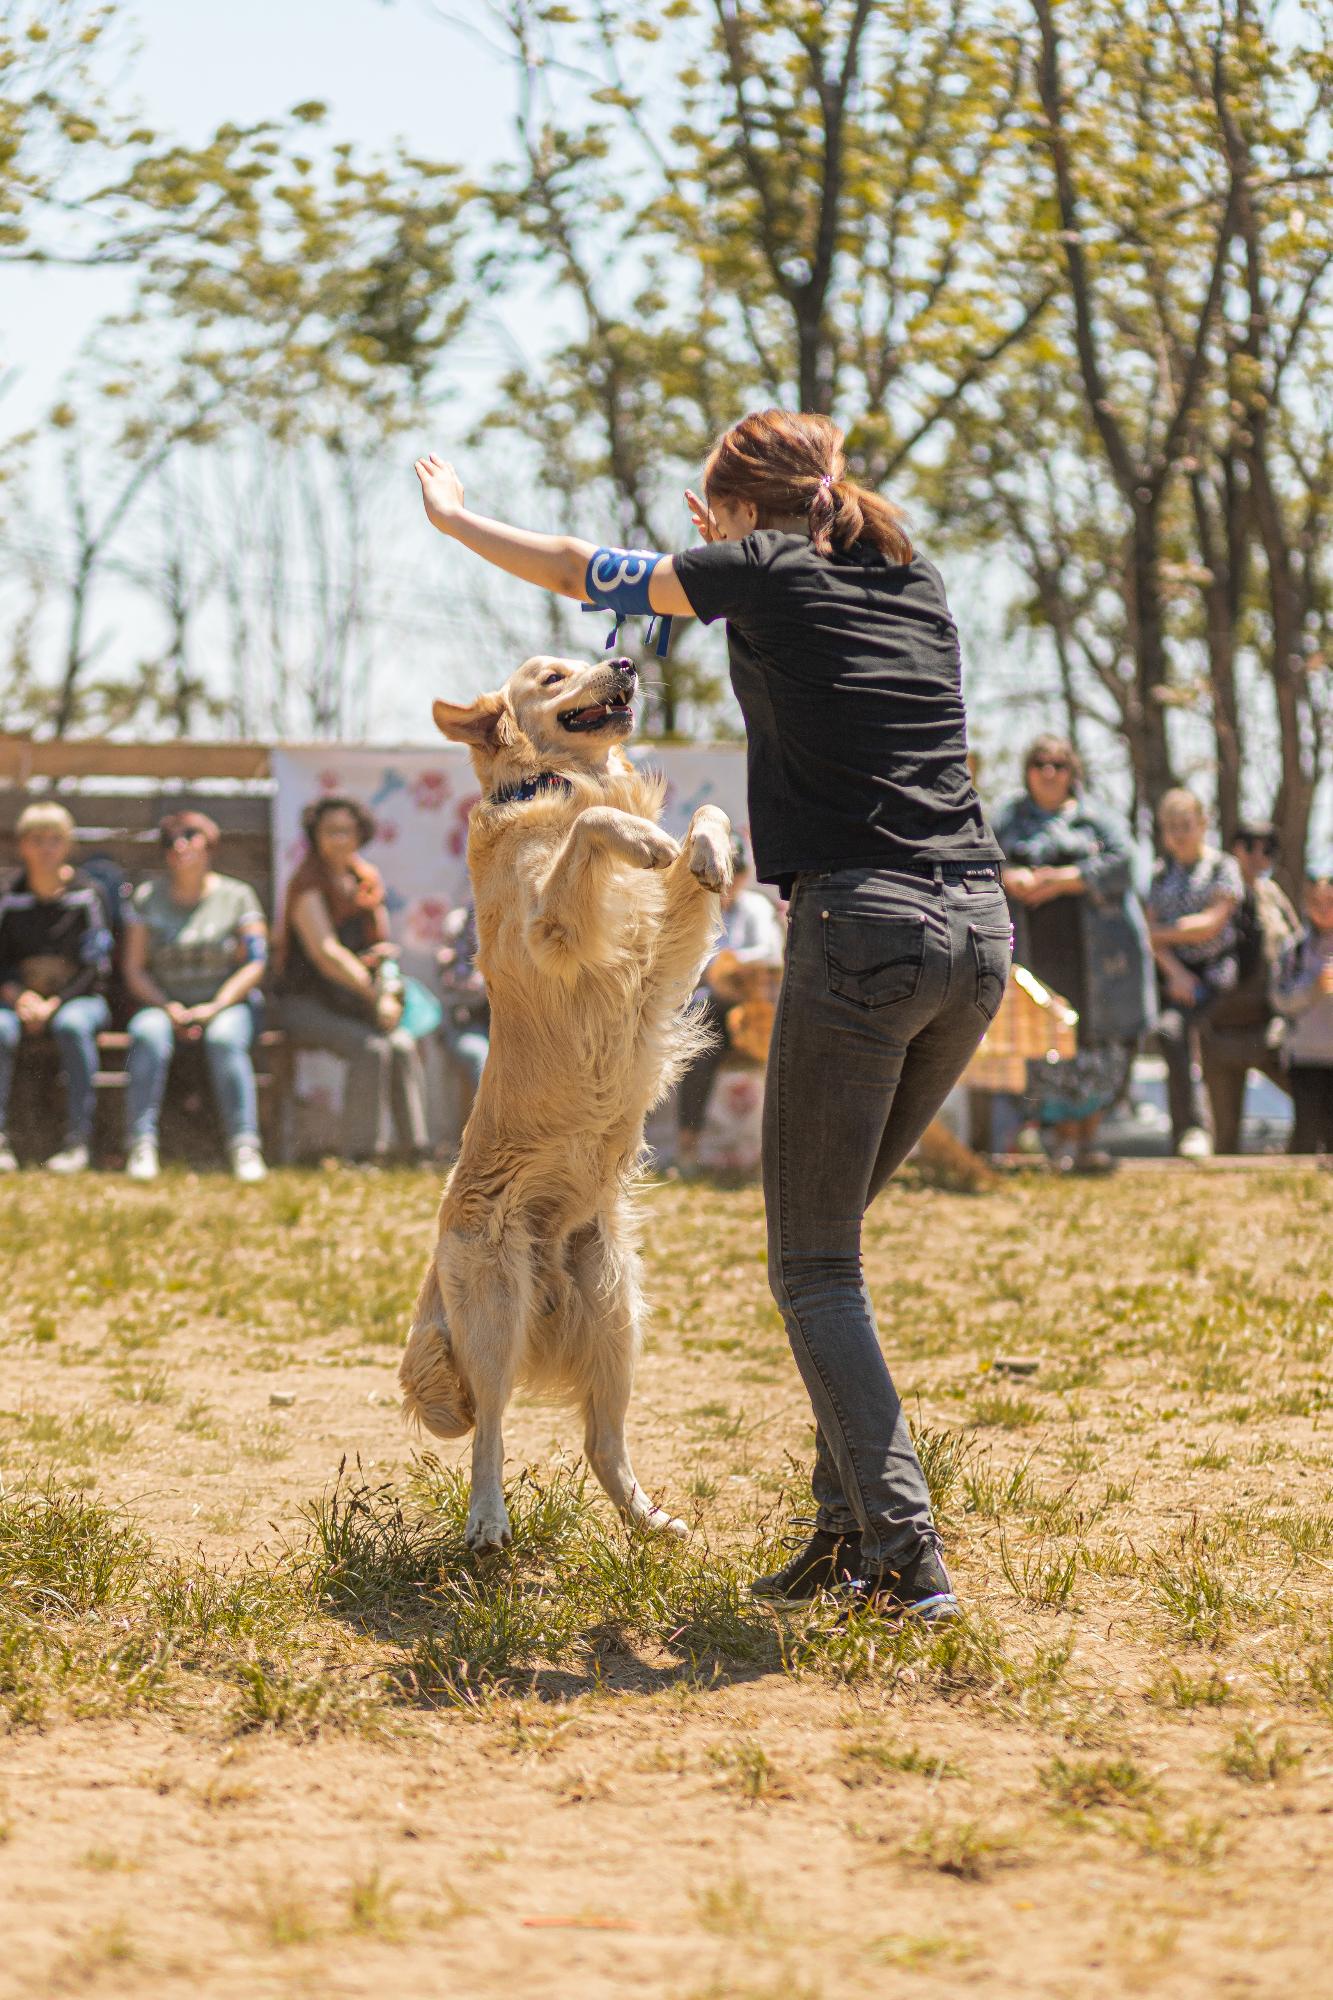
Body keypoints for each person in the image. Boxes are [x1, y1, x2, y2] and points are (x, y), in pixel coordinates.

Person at [413, 407, 1011, 1622]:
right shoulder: (908, 570)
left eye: (718, 514)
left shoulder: (764, 570)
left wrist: (455, 517)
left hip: (867, 935)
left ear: (732, 512)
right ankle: (842, 1531)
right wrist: (735, 534)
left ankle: (903, 1556)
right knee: (827, 1242)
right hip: (979, 938)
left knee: (812, 1266)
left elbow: (584, 570)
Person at [992, 735, 1155, 1171]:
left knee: (1097, 1046)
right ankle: (1057, 1142)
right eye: (1040, 763)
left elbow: (1124, 862)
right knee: (1043, 1045)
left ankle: (1088, 1141)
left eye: (1059, 764)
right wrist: (1014, 878)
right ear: (1027, 770)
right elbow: (980, 861)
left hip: (1100, 963)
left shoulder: (1097, 818)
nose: (1049, 772)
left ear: (1072, 772)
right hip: (1033, 955)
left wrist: (1066, 879)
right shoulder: (1008, 819)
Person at [273, 794, 429, 1164]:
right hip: (304, 1002)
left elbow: (383, 948)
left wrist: (389, 990)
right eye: (330, 831)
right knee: (370, 1048)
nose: (339, 839)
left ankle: (416, 1152)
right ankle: (362, 1156)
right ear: (315, 835)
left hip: (356, 999)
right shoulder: (306, 883)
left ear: (360, 835)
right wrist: (376, 996)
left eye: (346, 831)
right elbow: (327, 955)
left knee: (403, 1044)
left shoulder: (365, 878)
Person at [122, 811, 269, 1182]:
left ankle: (244, 1146)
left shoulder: (238, 896)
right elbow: (134, 968)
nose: (181, 846)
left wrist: (217, 1005)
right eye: (171, 841)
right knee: (147, 1034)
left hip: (227, 1002)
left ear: (211, 845)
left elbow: (255, 963)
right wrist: (165, 1006)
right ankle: (141, 1144)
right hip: (164, 1001)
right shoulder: (147, 898)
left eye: (190, 836)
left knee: (224, 1039)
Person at [0, 802, 112, 1173]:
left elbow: (96, 967)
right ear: (22, 846)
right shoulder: (8, 898)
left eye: (55, 840)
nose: (46, 848)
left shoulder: (88, 895)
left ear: (67, 846)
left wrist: (56, 1004)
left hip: (80, 1000)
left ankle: (78, 1142)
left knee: (72, 1026)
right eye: (37, 840)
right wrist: (18, 996)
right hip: (17, 1002)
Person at [676, 834, 785, 1171]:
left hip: (750, 1009)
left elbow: (770, 953)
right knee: (700, 1042)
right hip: (707, 1010)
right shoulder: (694, 910)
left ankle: (776, 1152)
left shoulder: (754, 907)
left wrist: (731, 963)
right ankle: (688, 1146)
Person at [1145, 789, 1244, 1158]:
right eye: (1171, 827)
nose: (1179, 834)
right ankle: (1187, 1132)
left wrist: (1168, 931)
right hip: (1175, 977)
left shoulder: (1223, 867)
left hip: (1219, 976)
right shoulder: (1159, 872)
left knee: (1200, 1037)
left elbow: (1211, 925)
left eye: (1186, 825)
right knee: (1170, 1032)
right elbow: (1149, 935)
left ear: (1203, 825)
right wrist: (1176, 974)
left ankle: (1206, 1132)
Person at [1197, 821, 1301, 1154]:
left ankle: (1297, 1155)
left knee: (1313, 1099)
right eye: (1254, 847)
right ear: (1236, 848)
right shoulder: (1209, 889)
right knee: (1225, 1139)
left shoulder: (1272, 896)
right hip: (1220, 1030)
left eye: (1270, 849)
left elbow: (1297, 944)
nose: (1262, 857)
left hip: (1268, 1029)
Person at [1272, 869, 1333, 1155]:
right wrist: (1312, 990)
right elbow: (1278, 999)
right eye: (1317, 903)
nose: (1324, 910)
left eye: (1330, 902)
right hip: (1305, 1055)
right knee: (1306, 1133)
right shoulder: (1294, 949)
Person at [437, 900, 489, 1122]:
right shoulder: (460, 922)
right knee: (482, 1059)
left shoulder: (527, 917)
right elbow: (450, 982)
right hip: (469, 1023)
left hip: (517, 1026)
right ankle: (490, 1139)